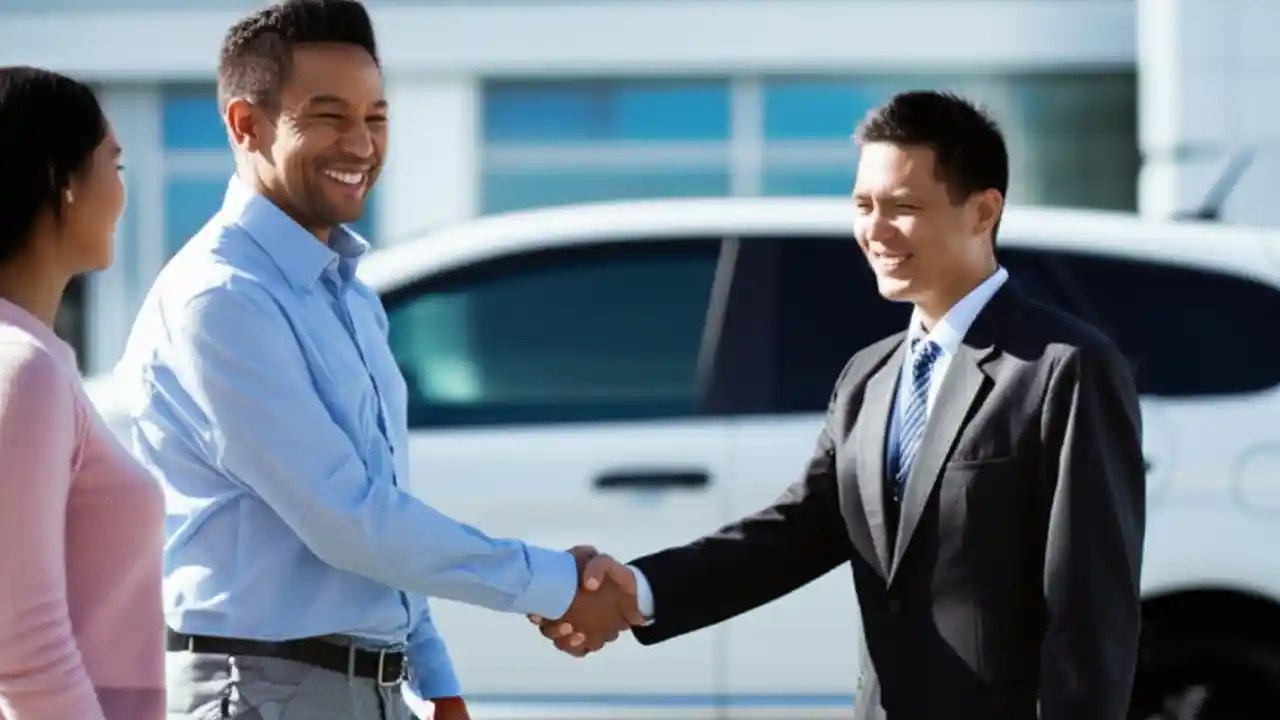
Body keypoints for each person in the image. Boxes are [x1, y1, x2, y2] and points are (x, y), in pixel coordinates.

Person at [538, 90, 1148, 720]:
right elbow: (801, 530)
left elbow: (1091, 617)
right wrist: (637, 589)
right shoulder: (870, 376)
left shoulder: (1063, 368)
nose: (875, 232)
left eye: (904, 208)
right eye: (863, 206)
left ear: (983, 211)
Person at [111, 2, 637, 719]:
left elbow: (381, 504)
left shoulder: (348, 295)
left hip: (366, 688)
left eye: (376, 117)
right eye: (329, 117)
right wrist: (552, 581)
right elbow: (347, 518)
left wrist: (434, 674)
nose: (360, 145)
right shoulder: (221, 299)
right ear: (245, 124)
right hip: (264, 692)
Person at [0, 66, 165, 720]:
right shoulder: (24, 370)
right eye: (114, 165)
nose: (123, 194)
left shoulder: (37, 361)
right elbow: (23, 644)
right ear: (59, 180)